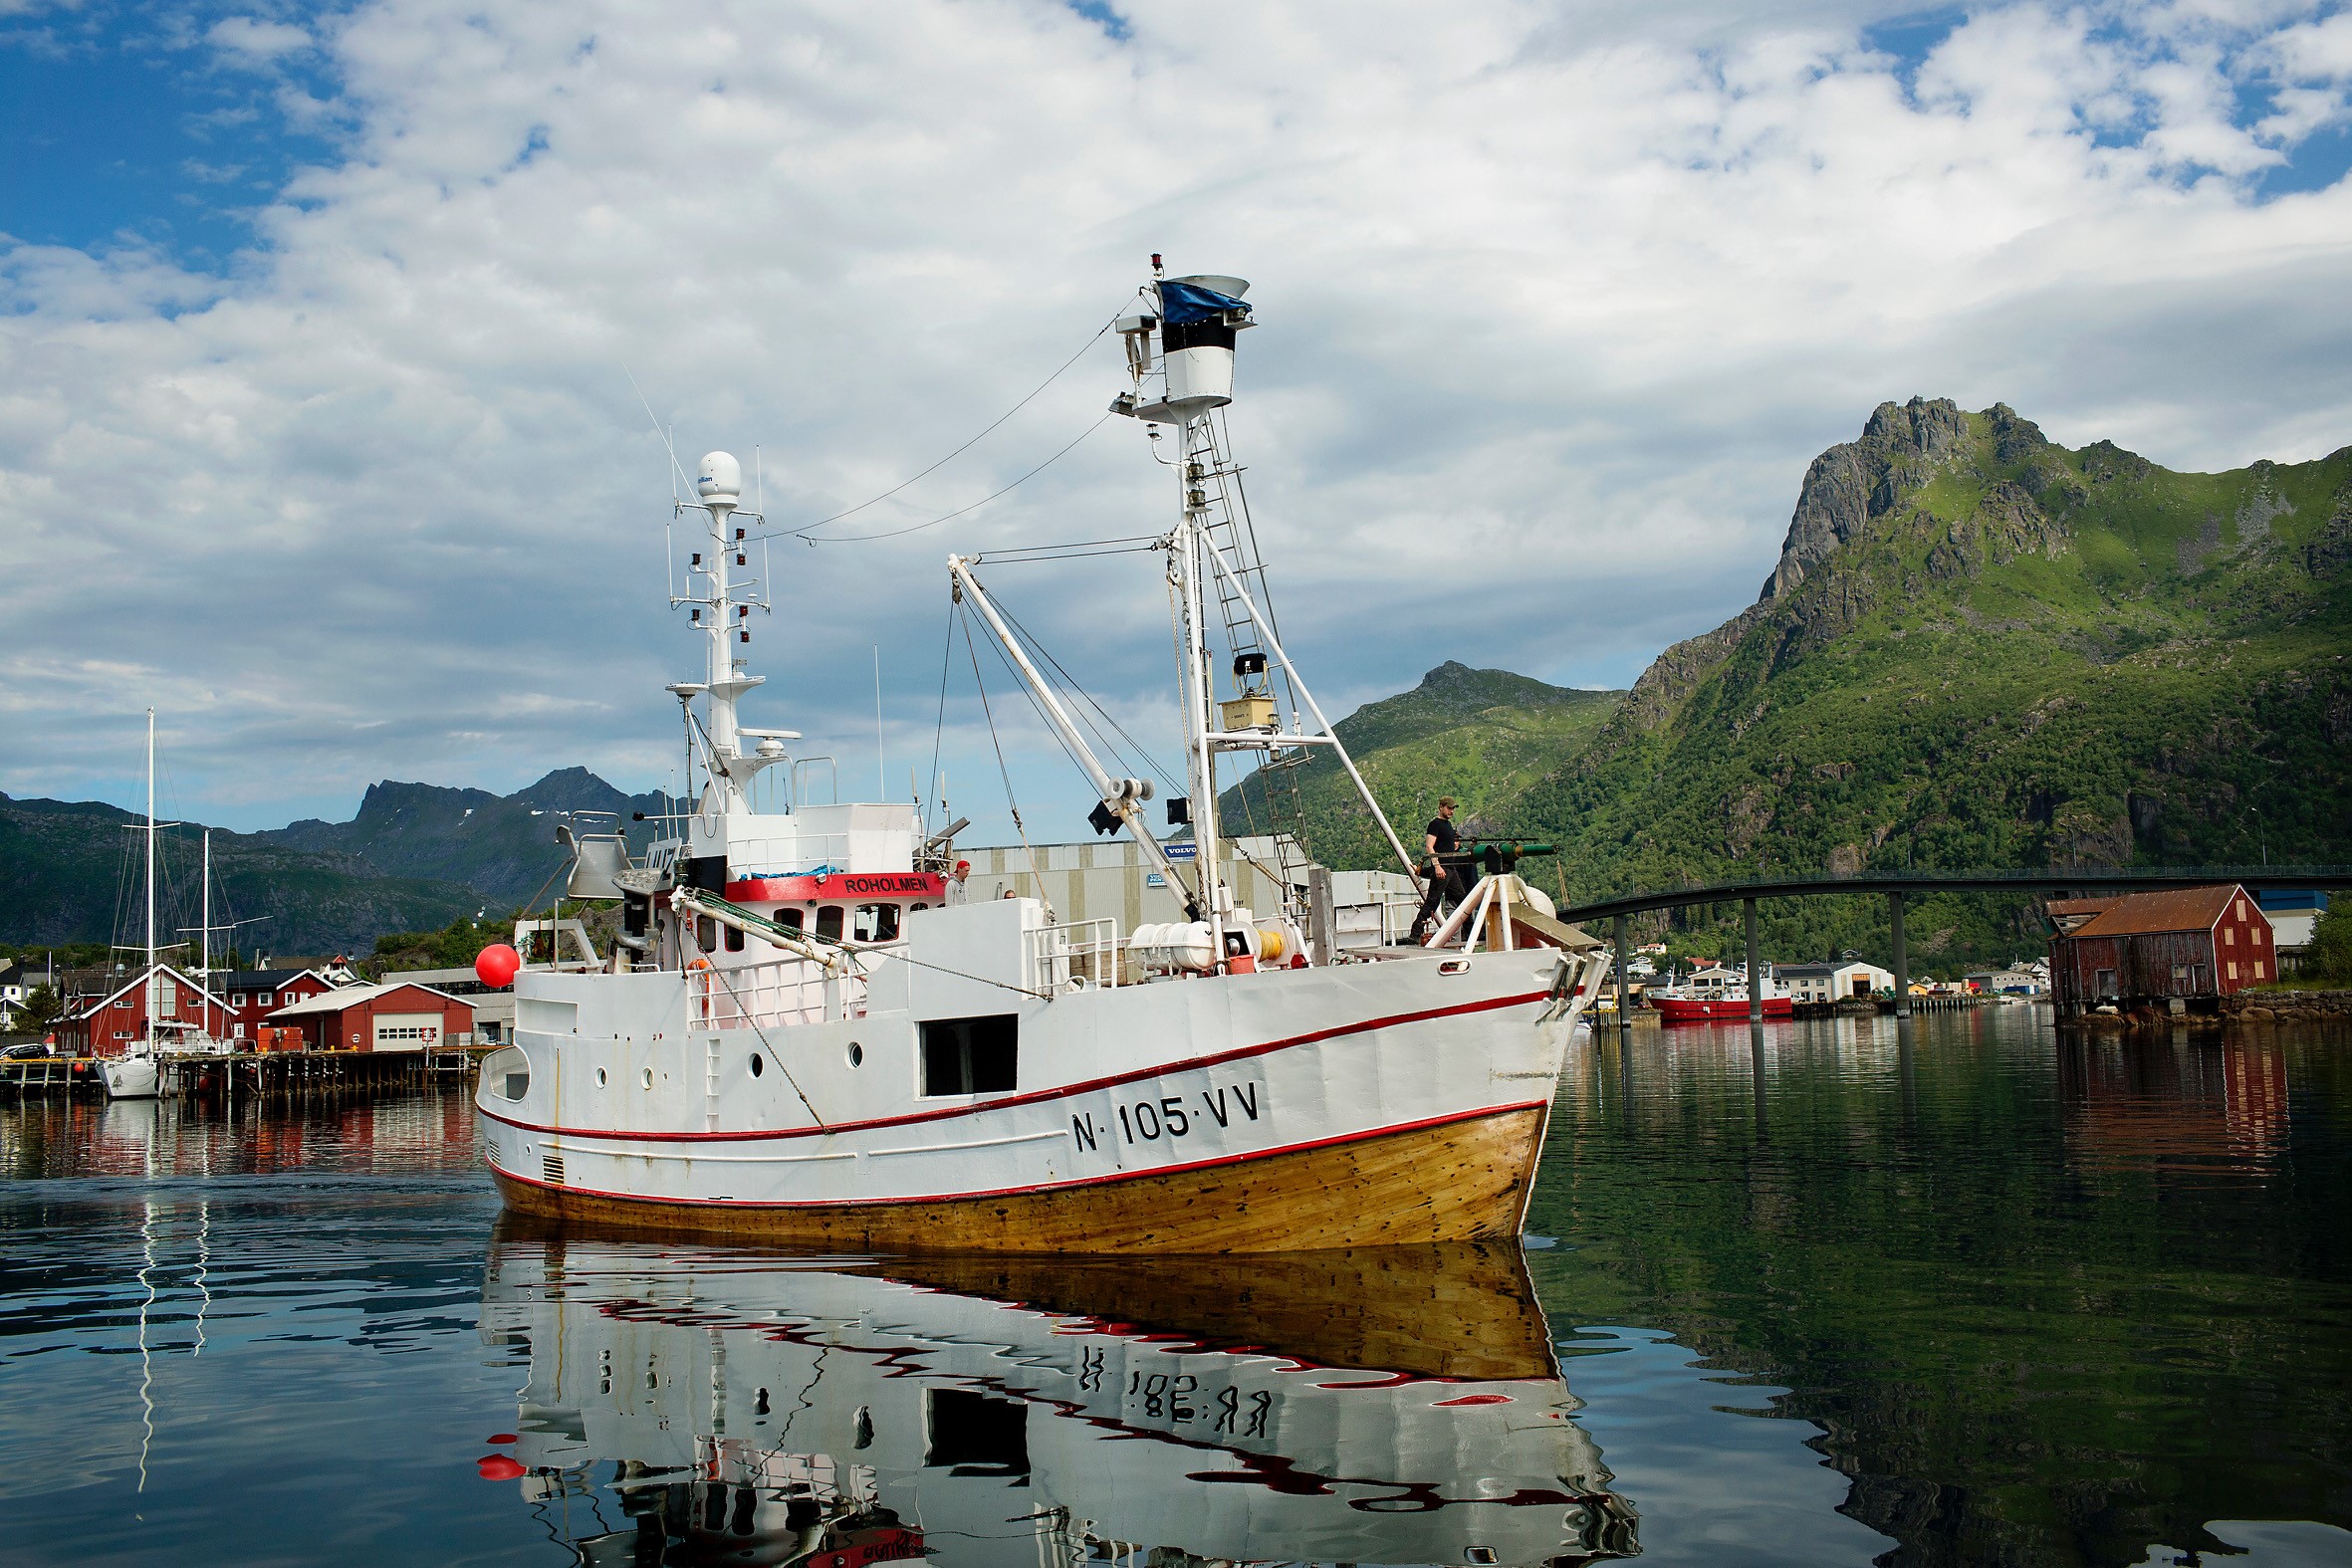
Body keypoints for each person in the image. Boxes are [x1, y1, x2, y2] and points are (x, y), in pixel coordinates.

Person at [1406, 796, 1471, 944]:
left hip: (1450, 868)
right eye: (1449, 808)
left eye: (1453, 808)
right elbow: (1429, 846)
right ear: (1441, 807)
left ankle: (1471, 931)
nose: (1451, 811)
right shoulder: (1435, 824)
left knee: (1464, 900)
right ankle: (1415, 933)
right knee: (1432, 902)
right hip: (1443, 868)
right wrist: (1436, 866)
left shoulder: (1447, 825)